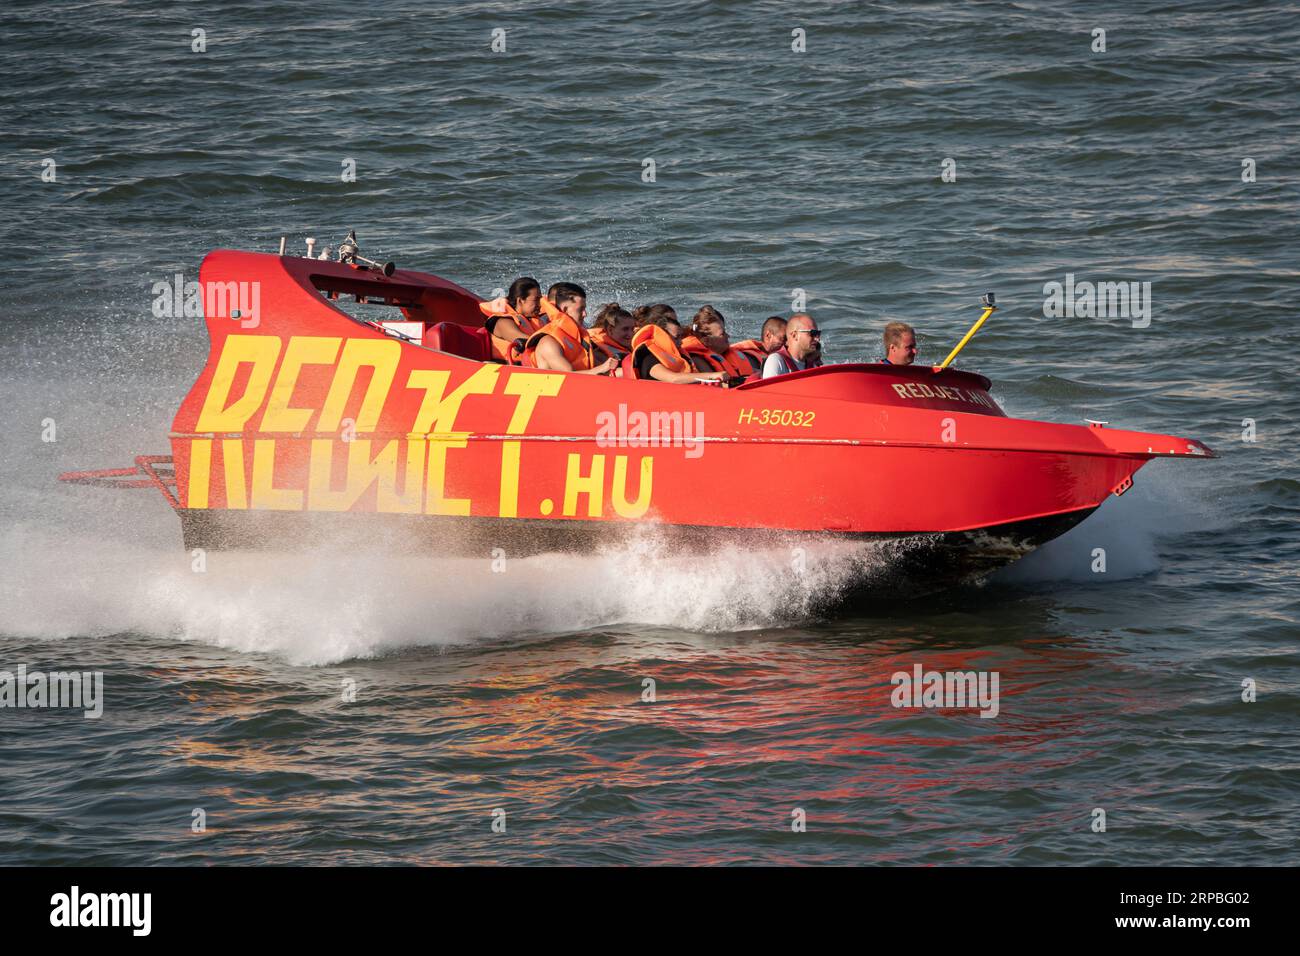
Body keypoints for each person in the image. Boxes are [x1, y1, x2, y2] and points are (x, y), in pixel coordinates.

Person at [522, 282, 618, 374]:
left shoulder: (577, 338)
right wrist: (602, 368)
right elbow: (570, 377)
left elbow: (600, 367)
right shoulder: (548, 342)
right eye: (580, 309)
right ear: (565, 310)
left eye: (585, 309)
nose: (585, 314)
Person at [629, 310, 728, 384]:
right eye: (676, 338)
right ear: (662, 336)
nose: (681, 342)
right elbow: (673, 379)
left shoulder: (681, 356)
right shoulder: (648, 357)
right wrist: (712, 376)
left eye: (681, 337)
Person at [681, 305, 759, 379]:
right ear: (706, 341)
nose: (728, 336)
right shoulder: (698, 361)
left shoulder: (722, 354)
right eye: (722, 334)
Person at [479, 276, 545, 362]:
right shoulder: (502, 322)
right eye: (536, 300)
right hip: (508, 368)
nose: (540, 304)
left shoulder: (534, 319)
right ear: (520, 300)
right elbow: (525, 340)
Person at [761, 313, 822, 379]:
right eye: (812, 333)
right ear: (794, 335)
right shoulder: (776, 361)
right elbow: (767, 389)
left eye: (818, 334)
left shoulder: (814, 365)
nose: (817, 339)